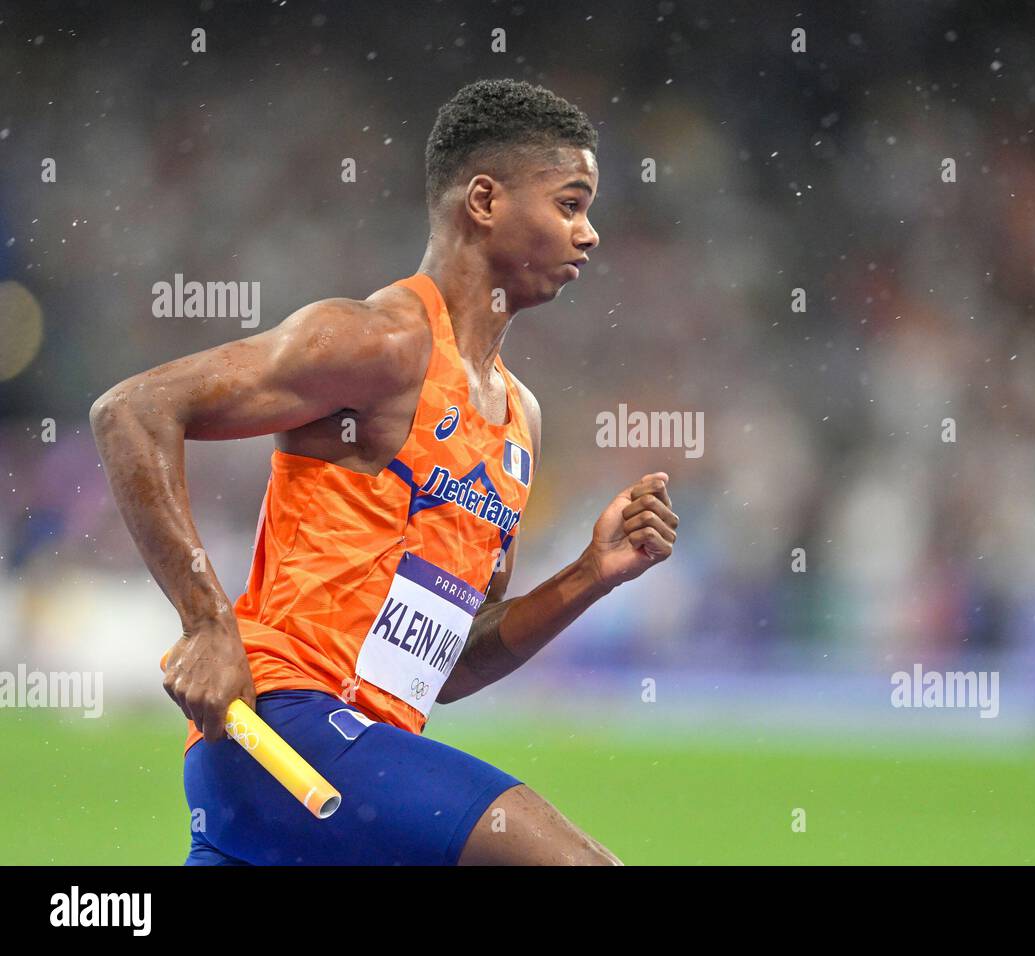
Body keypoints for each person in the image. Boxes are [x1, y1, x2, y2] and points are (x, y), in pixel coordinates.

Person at [90, 78, 679, 865]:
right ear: (484, 201)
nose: (590, 234)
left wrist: (590, 575)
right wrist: (206, 620)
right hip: (279, 727)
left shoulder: (518, 422)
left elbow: (448, 665)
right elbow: (132, 411)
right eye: (571, 204)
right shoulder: (379, 344)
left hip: (341, 771)